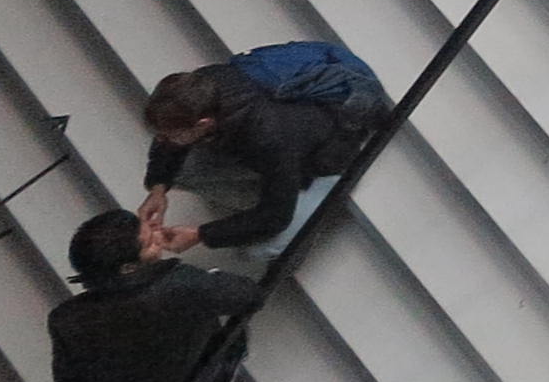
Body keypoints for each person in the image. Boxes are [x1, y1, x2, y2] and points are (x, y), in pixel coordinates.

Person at [48, 210, 263, 382]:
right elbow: (250, 296)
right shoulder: (182, 283)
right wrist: (213, 277)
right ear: (128, 268)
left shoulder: (65, 321)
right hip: (198, 367)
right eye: (150, 241)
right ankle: (222, 372)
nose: (159, 237)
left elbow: (69, 379)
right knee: (229, 329)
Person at [136, 47, 385, 267]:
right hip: (291, 134)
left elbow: (275, 217)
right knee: (183, 169)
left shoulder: (271, 137)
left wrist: (201, 234)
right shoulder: (206, 83)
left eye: (171, 135)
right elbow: (169, 139)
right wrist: (159, 188)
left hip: (332, 145)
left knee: (263, 247)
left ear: (204, 124)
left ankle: (307, 197)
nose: (162, 141)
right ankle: (275, 191)